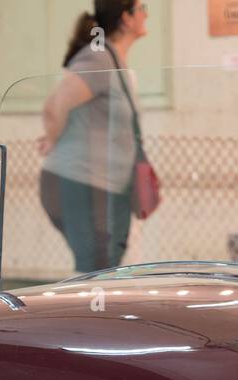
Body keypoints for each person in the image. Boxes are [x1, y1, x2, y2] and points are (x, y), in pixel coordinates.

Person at [39, 0, 149, 273]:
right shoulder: (99, 58)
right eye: (142, 8)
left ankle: (92, 312)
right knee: (95, 270)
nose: (146, 14)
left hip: (107, 189)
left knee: (104, 268)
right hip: (79, 185)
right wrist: (53, 137)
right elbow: (55, 106)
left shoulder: (116, 62)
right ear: (127, 18)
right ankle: (85, 315)